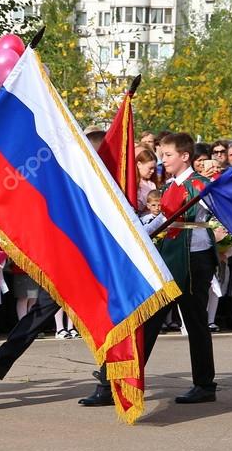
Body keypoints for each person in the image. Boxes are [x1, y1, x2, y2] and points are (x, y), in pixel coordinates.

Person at [79, 132, 219, 407]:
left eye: (168, 155)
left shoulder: (201, 185)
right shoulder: (167, 187)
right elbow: (161, 218)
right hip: (169, 257)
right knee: (147, 318)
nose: (163, 160)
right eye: (162, 155)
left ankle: (204, 384)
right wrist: (137, 235)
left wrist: (214, 193)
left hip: (194, 260)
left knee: (194, 322)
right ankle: (116, 380)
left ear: (185, 156)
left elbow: (220, 211)